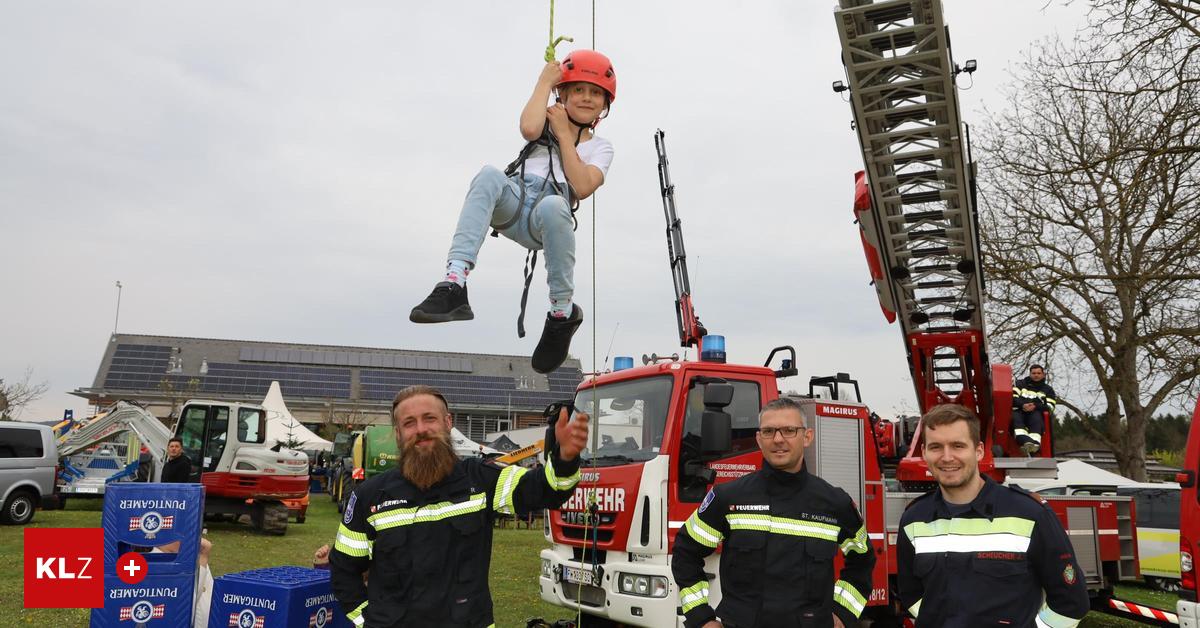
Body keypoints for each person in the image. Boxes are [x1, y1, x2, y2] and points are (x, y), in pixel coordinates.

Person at [409, 50, 617, 374]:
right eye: (578, 89)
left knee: (553, 205)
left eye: (594, 93)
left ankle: (561, 312)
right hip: (517, 199)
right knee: (490, 174)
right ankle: (454, 282)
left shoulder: (600, 147)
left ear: (605, 104)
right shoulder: (547, 118)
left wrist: (563, 134)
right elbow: (529, 128)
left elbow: (582, 185)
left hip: (546, 217)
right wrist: (545, 81)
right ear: (563, 93)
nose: (586, 98)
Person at [329, 385, 589, 627]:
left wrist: (565, 459)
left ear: (448, 423)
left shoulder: (481, 480)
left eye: (429, 418)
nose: (421, 429)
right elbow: (343, 570)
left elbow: (546, 489)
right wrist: (368, 621)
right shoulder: (370, 496)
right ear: (398, 434)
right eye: (409, 423)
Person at [671, 397, 876, 628]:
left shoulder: (834, 503)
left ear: (807, 437)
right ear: (759, 439)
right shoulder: (729, 499)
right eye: (769, 431)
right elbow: (685, 553)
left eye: (789, 430)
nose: (778, 439)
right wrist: (701, 619)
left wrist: (842, 614)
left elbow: (862, 560)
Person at [897, 404, 1089, 627]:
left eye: (958, 446)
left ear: (979, 451)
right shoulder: (913, 519)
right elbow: (911, 594)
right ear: (924, 453)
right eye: (936, 447)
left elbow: (1071, 604)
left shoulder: (1030, 514)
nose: (947, 457)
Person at [1012, 364, 1058, 453]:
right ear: (1030, 374)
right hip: (1019, 410)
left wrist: (1035, 406)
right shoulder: (1020, 384)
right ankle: (1024, 441)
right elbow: (1012, 398)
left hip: (1036, 413)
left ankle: (1035, 444)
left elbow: (1050, 407)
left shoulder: (1048, 390)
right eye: (1033, 373)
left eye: (1038, 373)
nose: (1036, 375)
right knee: (1016, 418)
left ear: (1043, 375)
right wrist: (1023, 405)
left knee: (1036, 419)